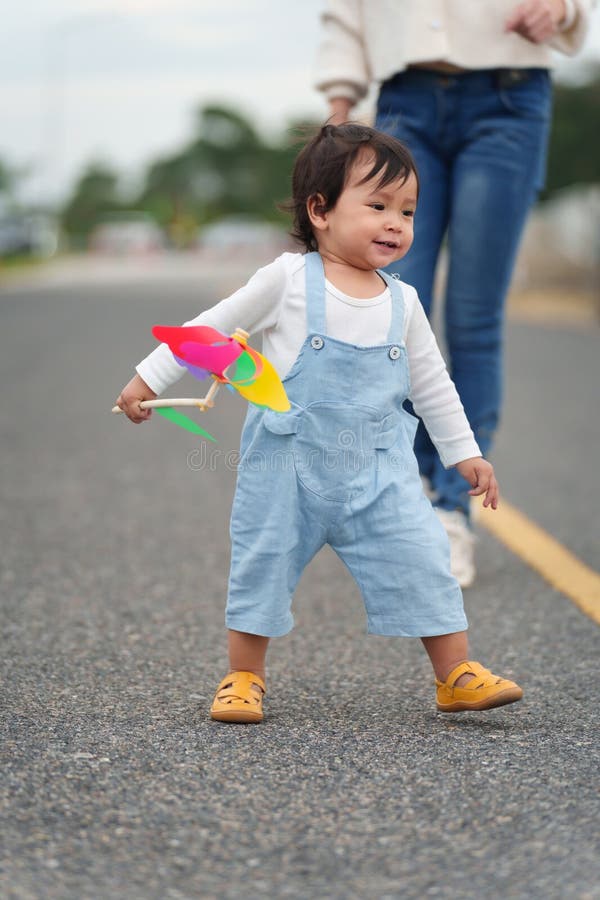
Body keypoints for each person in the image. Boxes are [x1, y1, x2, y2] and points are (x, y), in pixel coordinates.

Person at [116, 124, 523, 724]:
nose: (396, 223)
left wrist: (465, 453)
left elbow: (433, 385)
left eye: (407, 211)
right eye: (378, 206)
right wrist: (147, 379)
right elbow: (210, 331)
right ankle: (243, 677)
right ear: (321, 210)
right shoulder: (287, 280)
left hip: (380, 471)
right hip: (287, 468)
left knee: (424, 556)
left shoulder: (403, 302)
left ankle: (456, 674)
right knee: (262, 561)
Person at [315, 0, 592, 587]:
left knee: (474, 316)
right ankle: (407, 492)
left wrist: (563, 9)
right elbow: (346, 10)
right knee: (392, 306)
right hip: (403, 101)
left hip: (510, 98)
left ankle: (450, 512)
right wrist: (340, 108)